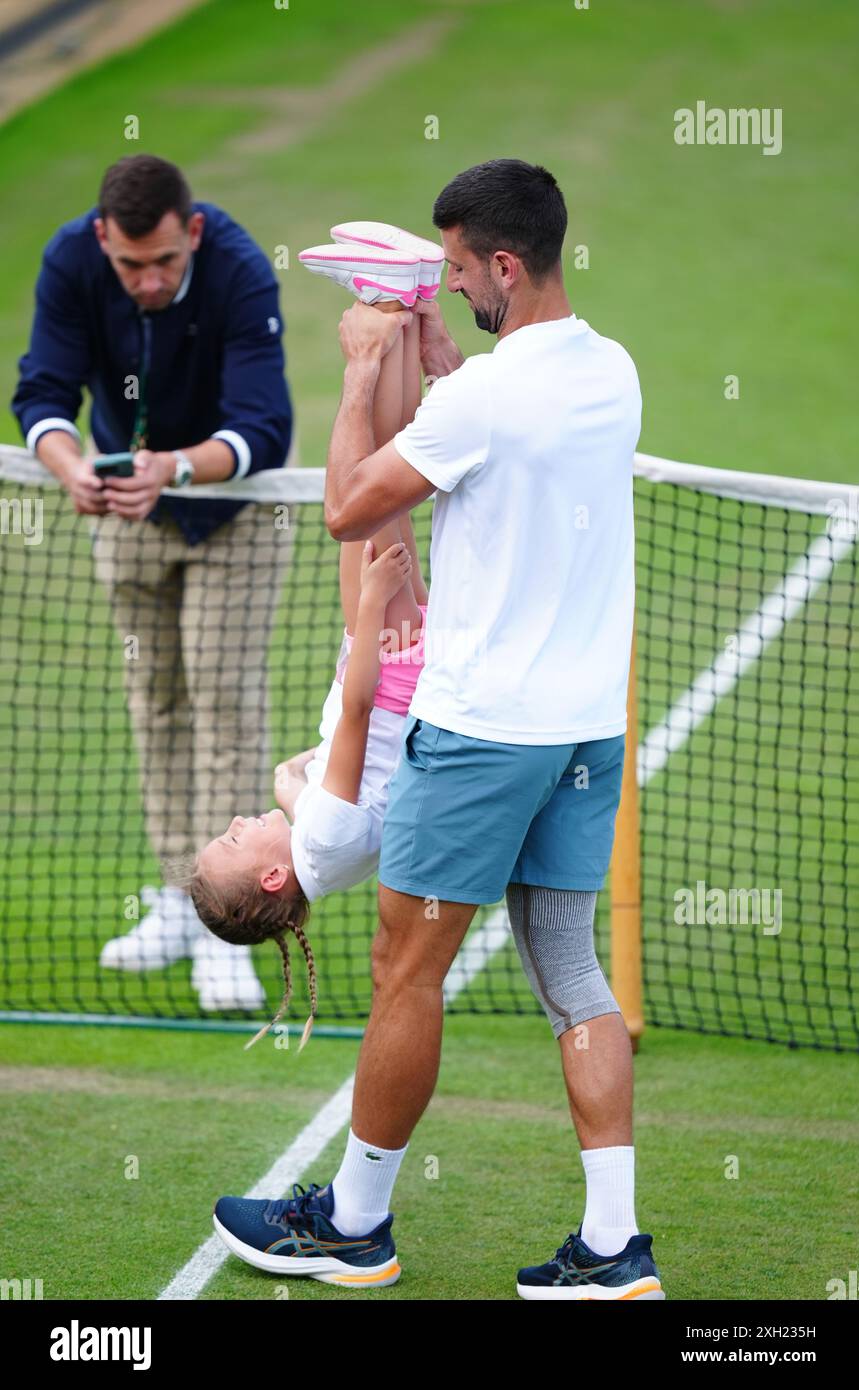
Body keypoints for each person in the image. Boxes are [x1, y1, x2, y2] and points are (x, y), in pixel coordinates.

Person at [212, 161, 662, 1300]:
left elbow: (345, 509)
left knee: (403, 970)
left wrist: (367, 361)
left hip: (476, 738)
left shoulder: (480, 400)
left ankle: (354, 1224)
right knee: (573, 975)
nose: (453, 285)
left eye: (459, 269)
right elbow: (485, 415)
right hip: (581, 736)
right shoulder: (610, 372)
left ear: (503, 265)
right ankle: (612, 1249)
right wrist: (434, 358)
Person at [11, 153, 294, 1011]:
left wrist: (170, 466)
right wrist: (70, 469)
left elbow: (264, 430)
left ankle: (229, 924)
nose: (148, 280)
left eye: (164, 262)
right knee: (158, 703)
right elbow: (42, 394)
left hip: (229, 514)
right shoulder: (71, 261)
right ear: (103, 239)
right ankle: (180, 898)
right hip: (128, 517)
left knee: (222, 701)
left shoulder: (239, 270)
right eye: (130, 264)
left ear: (192, 233)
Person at [183, 230, 436, 1053]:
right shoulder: (320, 844)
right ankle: (388, 311)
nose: (233, 819)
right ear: (268, 875)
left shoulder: (319, 854)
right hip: (388, 668)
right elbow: (355, 716)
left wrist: (290, 787)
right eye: (232, 839)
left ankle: (400, 305)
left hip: (384, 663)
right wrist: (371, 605)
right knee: (367, 492)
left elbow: (308, 777)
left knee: (377, 490)